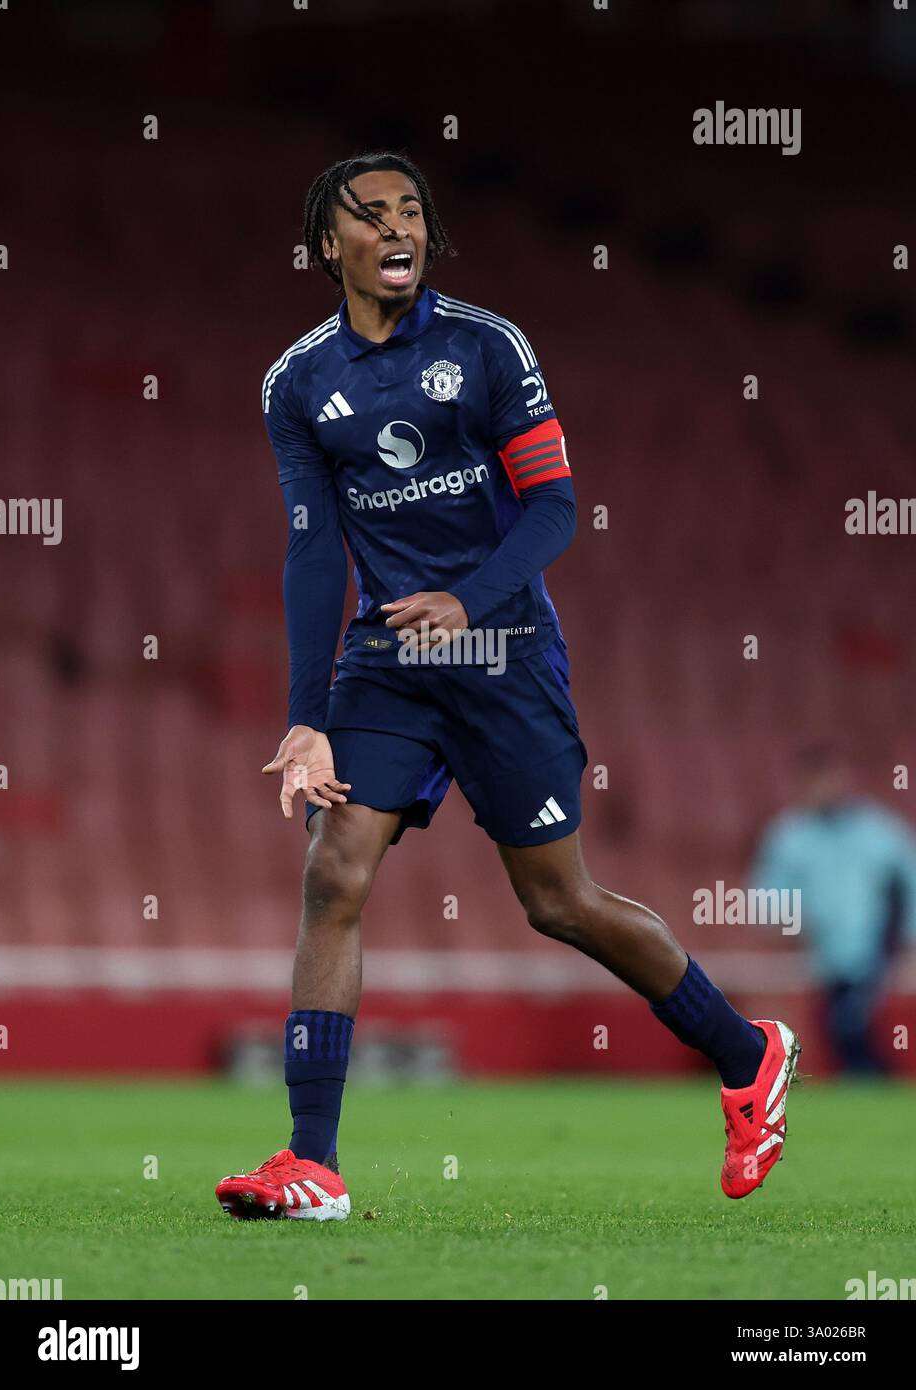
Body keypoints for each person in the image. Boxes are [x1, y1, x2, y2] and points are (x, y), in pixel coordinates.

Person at [216, 152, 800, 1221]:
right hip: (386, 660)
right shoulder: (297, 384)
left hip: (502, 653)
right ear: (324, 247)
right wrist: (305, 717)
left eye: (412, 211)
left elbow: (554, 508)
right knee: (333, 869)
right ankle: (313, 1162)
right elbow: (311, 551)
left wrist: (466, 599)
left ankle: (745, 1051)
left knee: (557, 902)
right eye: (371, 213)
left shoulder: (488, 347)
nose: (399, 226)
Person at [752, 743, 916, 1075]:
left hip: (878, 957)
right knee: (843, 1036)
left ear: (844, 779)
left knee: (853, 1030)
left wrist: (907, 941)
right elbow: (766, 900)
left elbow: (907, 882)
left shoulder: (879, 831)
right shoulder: (789, 837)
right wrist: (796, 928)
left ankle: (875, 1088)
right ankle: (873, 1088)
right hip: (822, 959)